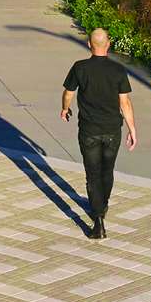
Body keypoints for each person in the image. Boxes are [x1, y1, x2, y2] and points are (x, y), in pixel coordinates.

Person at [60, 28, 138, 239]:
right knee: (107, 171)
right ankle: (102, 207)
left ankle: (98, 220)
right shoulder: (118, 70)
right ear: (109, 44)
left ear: (89, 44)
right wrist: (132, 129)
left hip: (89, 132)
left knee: (92, 175)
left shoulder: (80, 68)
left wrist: (65, 109)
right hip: (113, 131)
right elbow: (125, 103)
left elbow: (68, 92)